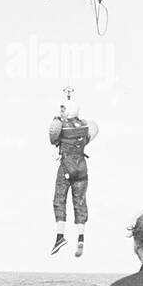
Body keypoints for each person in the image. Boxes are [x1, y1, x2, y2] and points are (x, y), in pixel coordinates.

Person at [49, 88, 99, 258]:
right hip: (82, 168)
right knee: (80, 203)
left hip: (66, 168)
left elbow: (53, 137)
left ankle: (60, 237)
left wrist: (58, 118)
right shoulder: (84, 127)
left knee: (59, 200)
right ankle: (81, 237)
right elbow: (93, 130)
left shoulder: (61, 126)